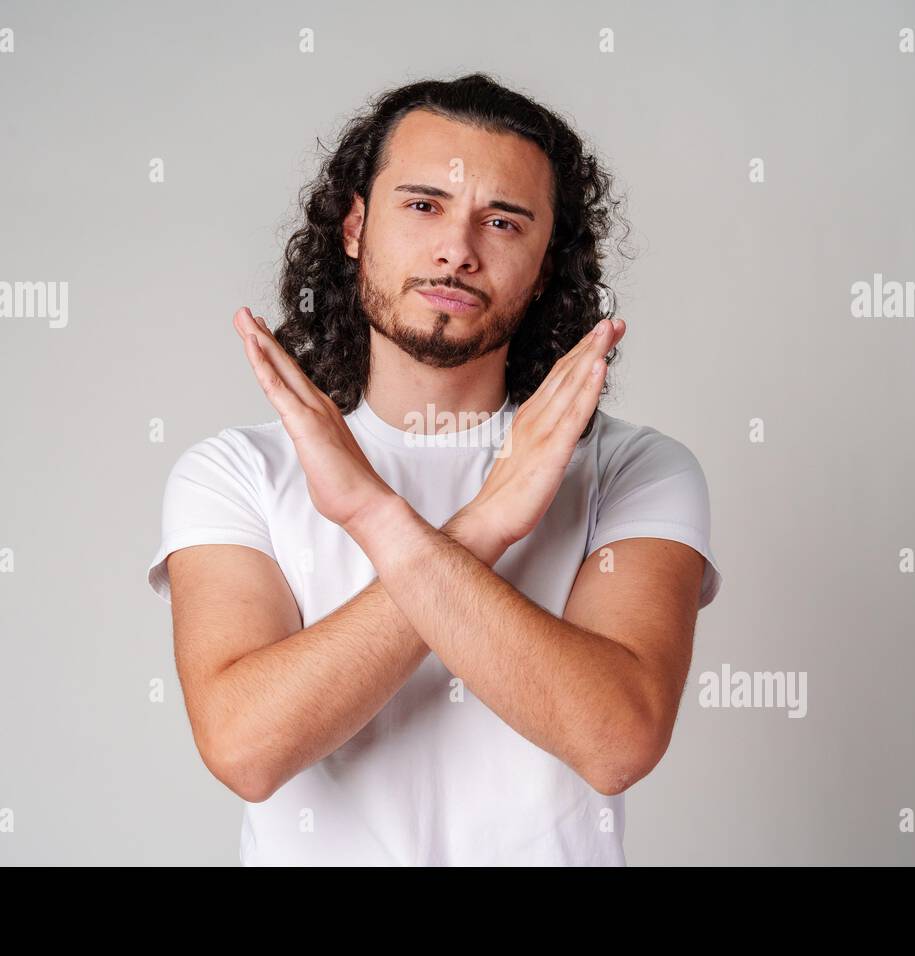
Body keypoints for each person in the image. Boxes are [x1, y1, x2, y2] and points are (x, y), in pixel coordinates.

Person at [146, 73, 723, 866]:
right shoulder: (236, 471)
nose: (458, 249)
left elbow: (616, 741)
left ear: (549, 263)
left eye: (503, 221)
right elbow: (246, 750)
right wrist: (483, 527)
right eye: (423, 206)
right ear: (355, 225)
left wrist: (379, 520)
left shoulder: (636, 470)